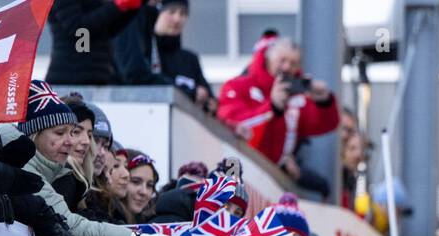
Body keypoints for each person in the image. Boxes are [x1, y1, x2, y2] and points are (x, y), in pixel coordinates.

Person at [2, 80, 175, 236]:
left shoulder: (52, 172)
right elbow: (71, 226)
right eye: (60, 132)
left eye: (73, 133)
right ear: (33, 134)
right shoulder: (27, 170)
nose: (72, 141)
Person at [216, 36, 339, 185]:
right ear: (268, 58)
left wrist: (324, 101)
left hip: (274, 183)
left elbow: (324, 124)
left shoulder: (296, 98)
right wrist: (272, 108)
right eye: (282, 60)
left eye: (293, 63)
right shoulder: (237, 86)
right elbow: (233, 125)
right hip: (240, 176)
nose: (287, 67)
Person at [114, 0, 215, 111]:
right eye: (171, 12)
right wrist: (186, 92)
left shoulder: (189, 60)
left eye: (183, 14)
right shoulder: (137, 29)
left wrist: (211, 104)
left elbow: (209, 99)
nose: (177, 19)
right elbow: (136, 74)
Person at [46, 0, 148, 87]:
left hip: (98, 75)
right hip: (70, 77)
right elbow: (79, 30)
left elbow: (107, 29)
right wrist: (117, 6)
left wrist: (131, 7)